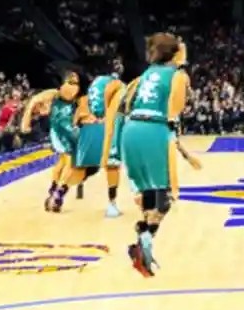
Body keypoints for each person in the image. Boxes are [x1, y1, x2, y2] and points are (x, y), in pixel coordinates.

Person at [114, 33, 191, 277]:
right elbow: (173, 112)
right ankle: (143, 241)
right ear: (175, 53)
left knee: (148, 194)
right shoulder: (178, 75)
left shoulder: (145, 74)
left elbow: (125, 105)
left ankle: (143, 248)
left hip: (130, 129)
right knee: (163, 198)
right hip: (153, 129)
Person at [19, 70, 86, 213]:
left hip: (69, 129)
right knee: (71, 161)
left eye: (76, 83)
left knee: (63, 161)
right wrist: (26, 120)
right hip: (59, 130)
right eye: (71, 82)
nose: (74, 86)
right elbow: (33, 101)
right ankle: (59, 193)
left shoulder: (74, 100)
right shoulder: (54, 94)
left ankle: (54, 190)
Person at [82, 63, 126, 217]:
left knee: (92, 163)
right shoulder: (114, 82)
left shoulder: (94, 83)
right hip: (110, 121)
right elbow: (115, 96)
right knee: (113, 163)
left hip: (92, 122)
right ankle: (112, 204)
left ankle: (62, 189)